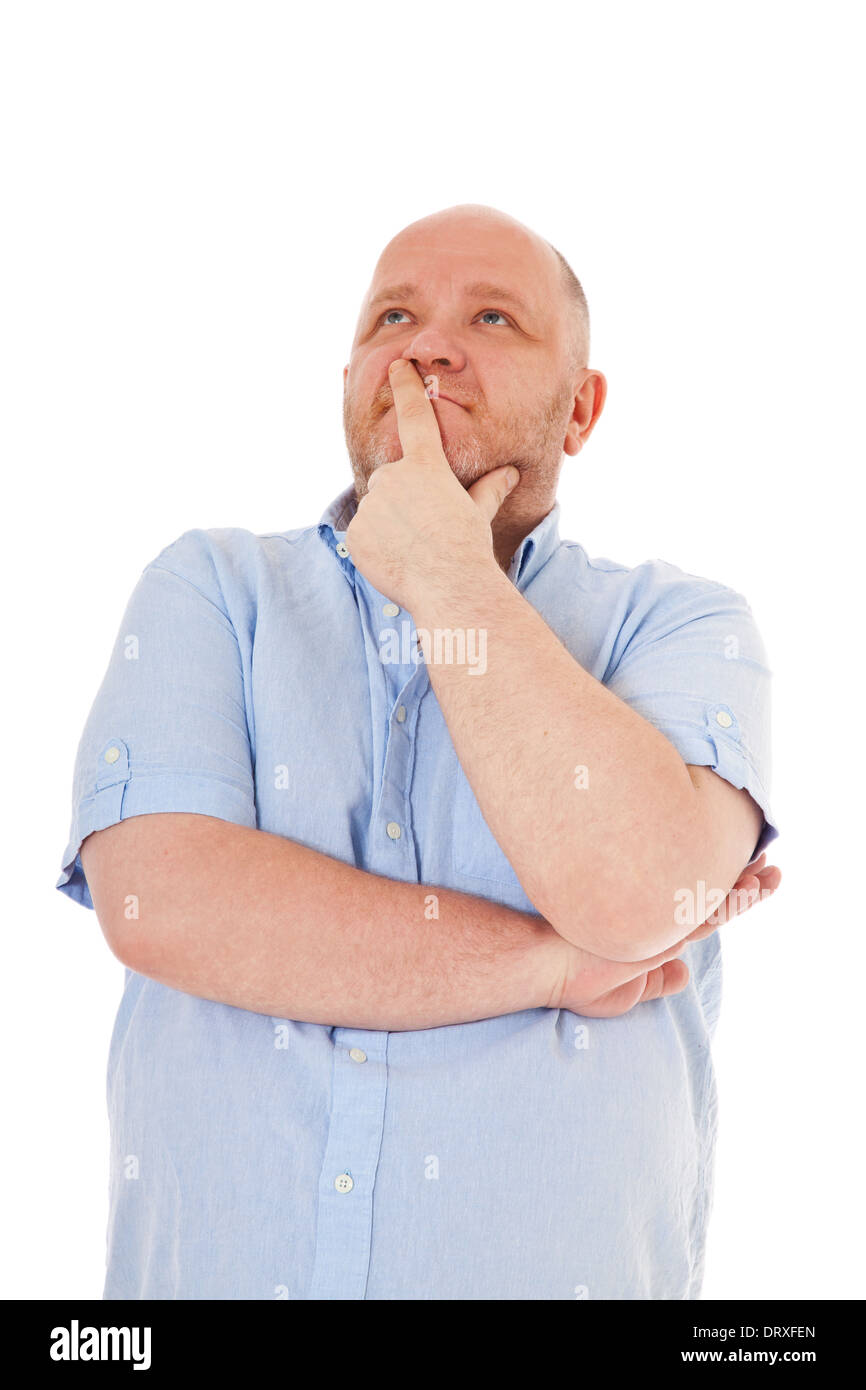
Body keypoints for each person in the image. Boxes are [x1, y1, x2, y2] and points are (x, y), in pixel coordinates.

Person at [56, 203, 780, 1300]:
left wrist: (447, 573)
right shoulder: (209, 590)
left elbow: (637, 893)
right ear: (351, 376)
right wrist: (551, 963)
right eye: (395, 314)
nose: (428, 344)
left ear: (579, 409)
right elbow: (160, 904)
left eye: (491, 317)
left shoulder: (680, 624)